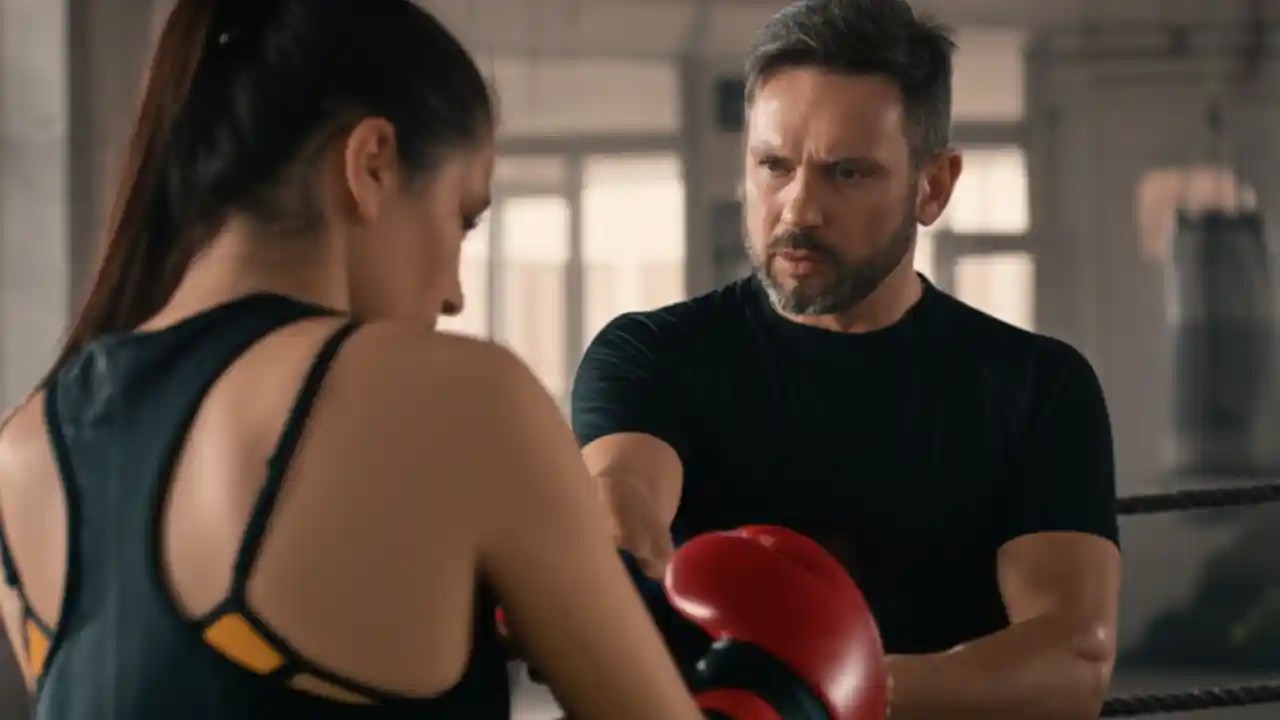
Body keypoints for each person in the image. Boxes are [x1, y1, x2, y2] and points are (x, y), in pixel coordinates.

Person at [0, 2, 890, 719]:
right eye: (462, 219)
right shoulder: (457, 398)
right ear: (372, 163)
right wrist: (784, 695)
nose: (456, 292)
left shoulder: (29, 441)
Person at [573, 1, 1123, 718]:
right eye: (773, 165)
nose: (799, 209)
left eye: (848, 174)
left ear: (933, 185)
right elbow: (626, 494)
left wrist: (829, 690)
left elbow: (1073, 659)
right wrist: (613, 557)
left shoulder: (1037, 388)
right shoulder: (650, 356)